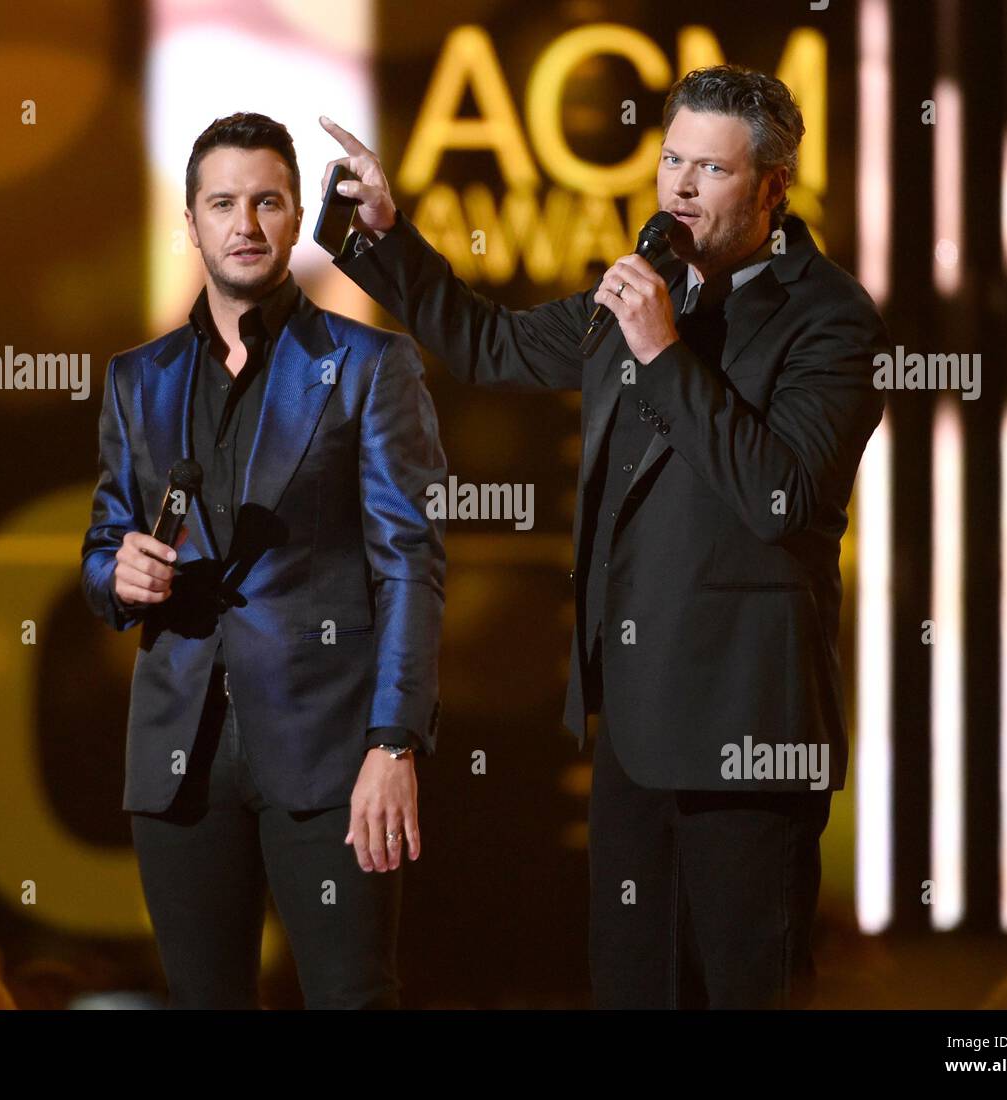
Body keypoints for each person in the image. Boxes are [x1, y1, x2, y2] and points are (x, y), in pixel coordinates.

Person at [322, 64, 889, 1009]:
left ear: (773, 189)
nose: (679, 187)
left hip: (748, 736)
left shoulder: (830, 317)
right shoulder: (638, 292)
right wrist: (386, 237)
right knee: (632, 985)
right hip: (633, 727)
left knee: (745, 987)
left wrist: (664, 353)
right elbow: (486, 344)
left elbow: (780, 500)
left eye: (711, 170)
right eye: (672, 159)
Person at [80, 112, 446, 1008]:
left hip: (330, 755)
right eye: (223, 203)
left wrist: (393, 740)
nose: (245, 223)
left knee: (353, 995)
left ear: (294, 218)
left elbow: (411, 563)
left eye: (267, 201)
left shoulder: (371, 366)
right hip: (180, 754)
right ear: (193, 221)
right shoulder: (140, 378)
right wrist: (115, 575)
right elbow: (103, 543)